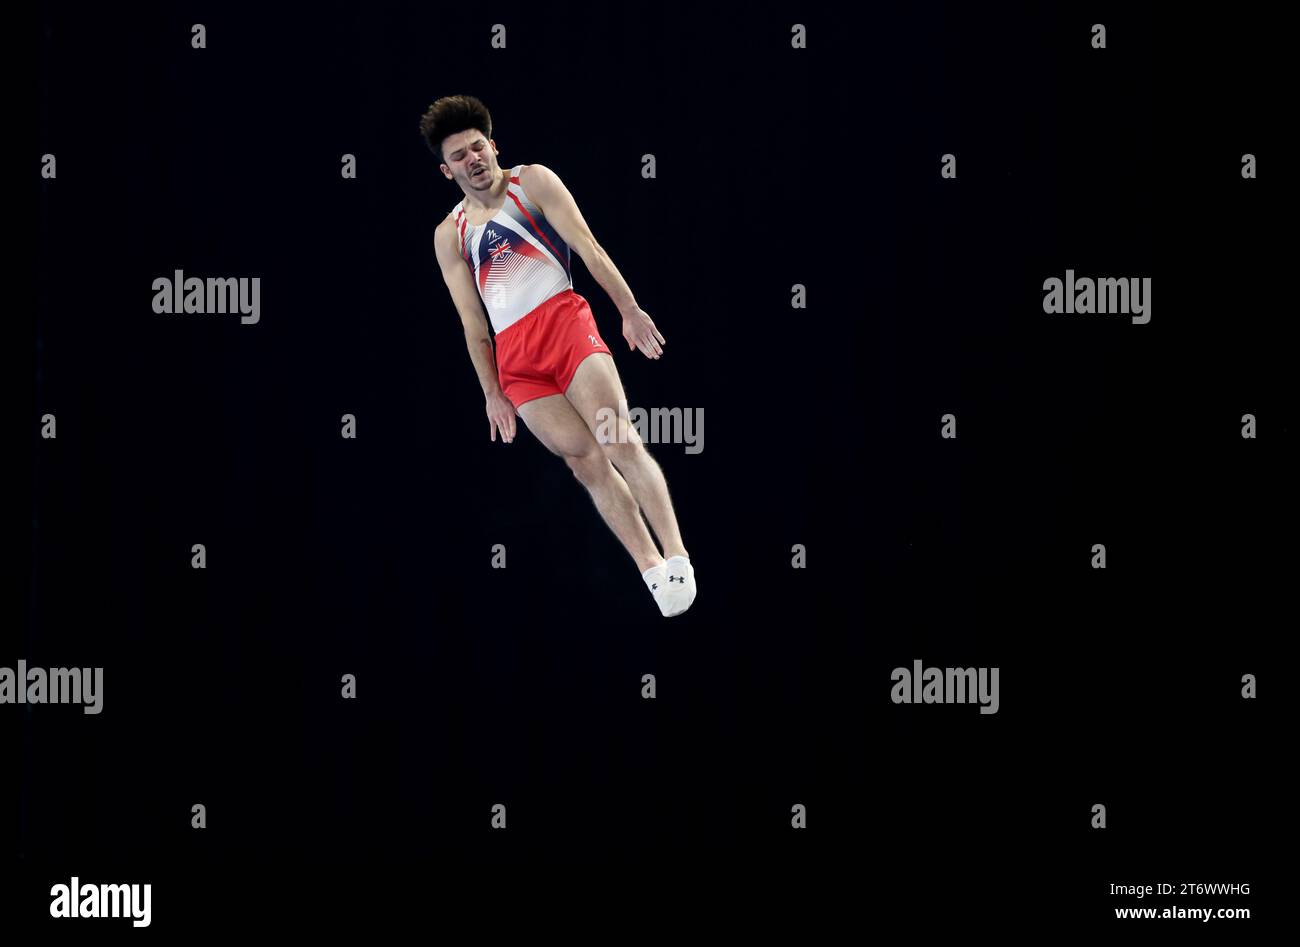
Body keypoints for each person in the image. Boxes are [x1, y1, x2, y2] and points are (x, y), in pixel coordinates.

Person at [422, 95, 696, 617]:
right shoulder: (449, 235)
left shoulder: (533, 183)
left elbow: (589, 248)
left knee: (616, 435)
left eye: (478, 147)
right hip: (516, 359)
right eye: (459, 155)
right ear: (446, 168)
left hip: (564, 322)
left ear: (493, 146)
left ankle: (678, 553)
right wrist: (491, 393)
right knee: (582, 460)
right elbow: (472, 323)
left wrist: (630, 310)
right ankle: (650, 567)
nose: (472, 159)